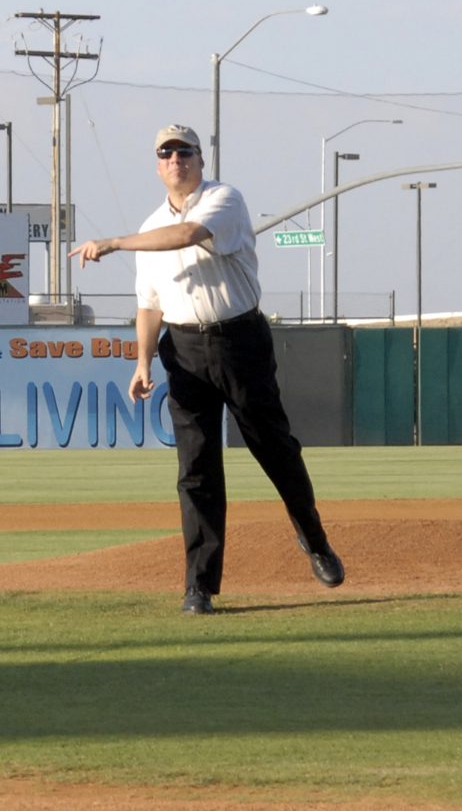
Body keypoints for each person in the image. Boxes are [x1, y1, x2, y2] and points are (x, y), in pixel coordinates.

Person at [70, 124, 343, 614]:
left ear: (200, 159)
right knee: (195, 470)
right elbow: (149, 306)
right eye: (166, 153)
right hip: (185, 349)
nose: (176, 159)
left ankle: (314, 538)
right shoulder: (150, 226)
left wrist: (113, 242)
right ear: (158, 167)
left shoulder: (223, 199)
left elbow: (188, 235)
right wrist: (142, 361)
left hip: (240, 340)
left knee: (274, 448)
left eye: (184, 151)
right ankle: (199, 585)